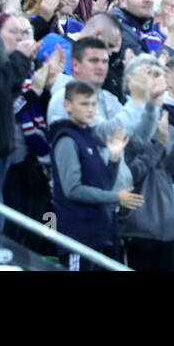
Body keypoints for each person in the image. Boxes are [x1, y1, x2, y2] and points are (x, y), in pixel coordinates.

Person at [49, 79, 142, 269]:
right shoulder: (66, 139)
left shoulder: (89, 136)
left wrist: (114, 159)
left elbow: (104, 183)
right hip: (77, 237)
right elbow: (73, 190)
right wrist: (116, 197)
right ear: (67, 106)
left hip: (97, 234)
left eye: (93, 104)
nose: (90, 109)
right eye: (84, 104)